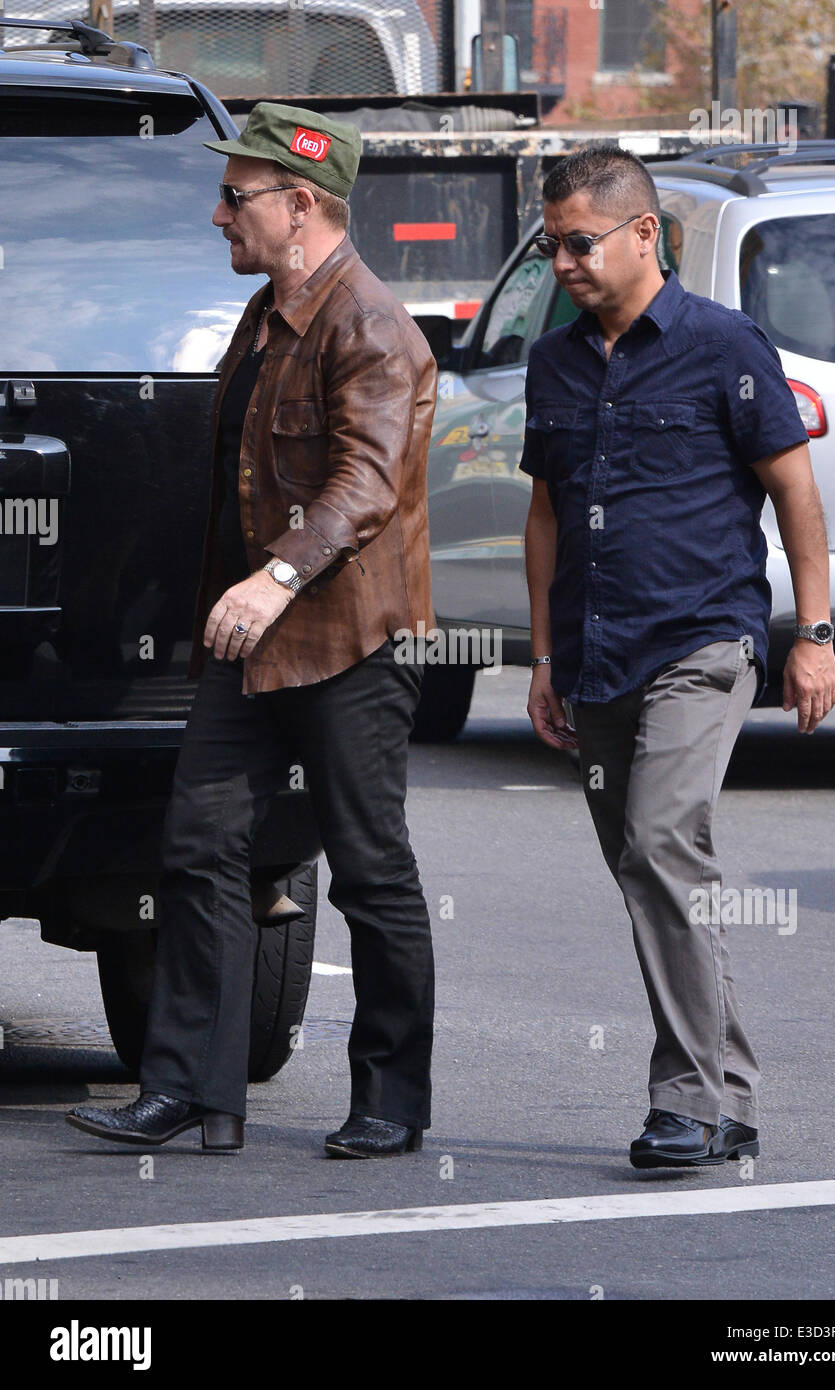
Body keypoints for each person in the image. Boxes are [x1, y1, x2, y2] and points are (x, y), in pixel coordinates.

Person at [68, 104, 437, 1157]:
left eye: (235, 197)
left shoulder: (370, 326)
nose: (216, 214)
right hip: (253, 640)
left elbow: (362, 483)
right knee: (194, 848)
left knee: (370, 870)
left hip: (346, 639)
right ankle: (191, 1089)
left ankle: (390, 1101)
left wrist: (274, 578)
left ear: (301, 204)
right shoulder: (268, 315)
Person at [522, 148, 835, 1169]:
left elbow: (793, 490)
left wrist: (813, 635)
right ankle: (725, 1094)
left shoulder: (722, 346)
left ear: (641, 234)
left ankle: (686, 1099)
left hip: (701, 639)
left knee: (661, 843)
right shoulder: (553, 361)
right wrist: (537, 655)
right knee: (653, 870)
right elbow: (544, 512)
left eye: (580, 242)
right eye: (550, 243)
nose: (563, 261)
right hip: (592, 645)